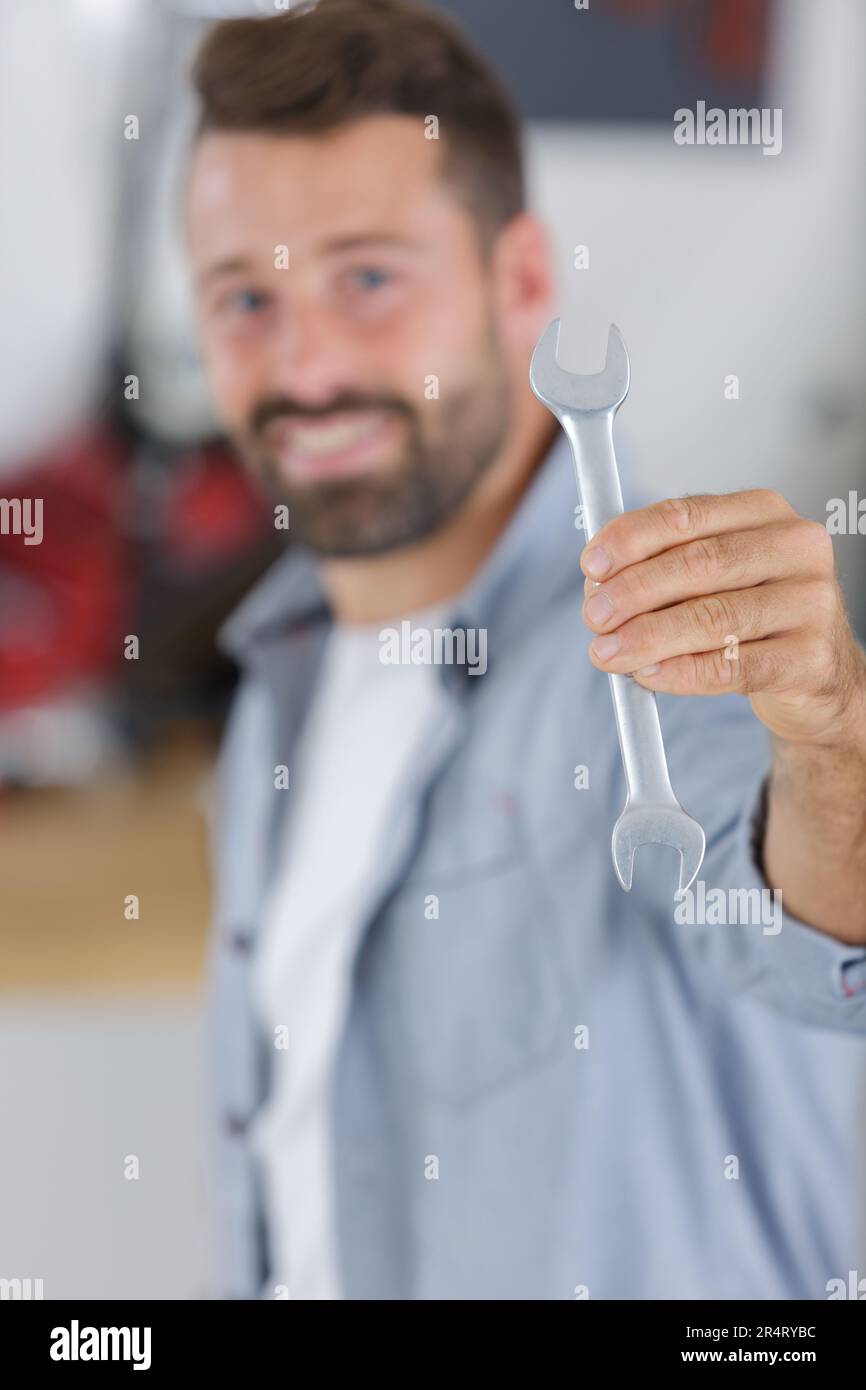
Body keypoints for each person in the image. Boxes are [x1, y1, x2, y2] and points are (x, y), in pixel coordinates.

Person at [183, 0, 866, 1300]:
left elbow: (821, 944)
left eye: (367, 276)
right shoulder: (278, 674)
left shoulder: (654, 665)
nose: (306, 360)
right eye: (245, 297)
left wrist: (830, 730)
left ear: (523, 285)